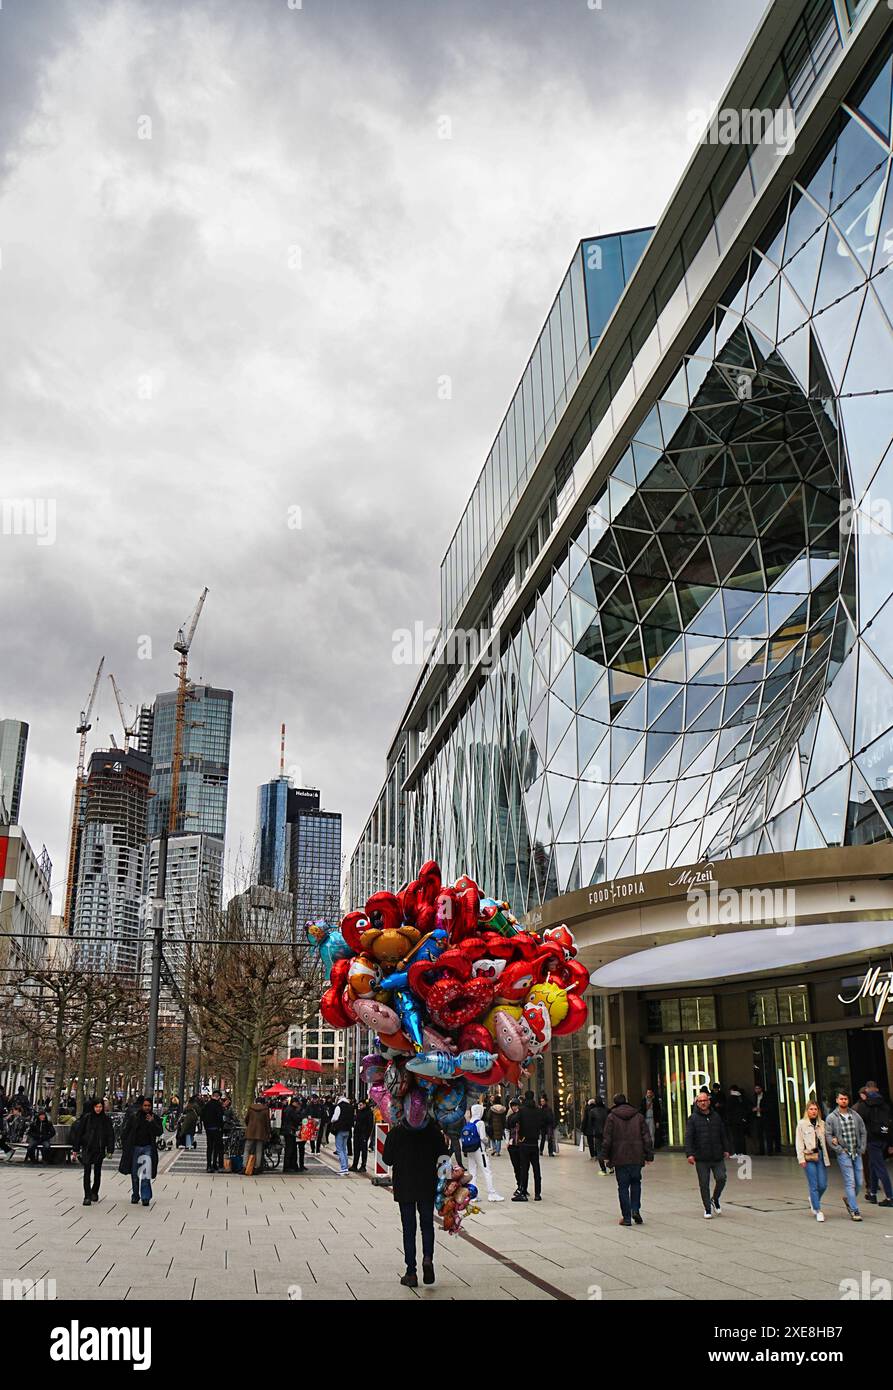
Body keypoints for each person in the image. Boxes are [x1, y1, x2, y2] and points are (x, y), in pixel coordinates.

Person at [382, 1115, 449, 1287]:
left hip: (405, 1185)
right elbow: (444, 1159)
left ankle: (411, 1272)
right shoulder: (433, 1131)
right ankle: (427, 1258)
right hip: (426, 1184)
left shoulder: (397, 1132)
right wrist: (446, 1186)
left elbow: (387, 1159)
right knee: (427, 1224)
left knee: (408, 1227)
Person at [602, 1093, 653, 1226]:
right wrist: (649, 1155)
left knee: (623, 1187)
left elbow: (607, 1139)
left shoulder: (612, 1117)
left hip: (619, 1157)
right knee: (636, 1183)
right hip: (636, 1156)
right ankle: (635, 1209)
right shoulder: (639, 1116)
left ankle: (626, 1217)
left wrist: (605, 1156)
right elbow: (646, 1138)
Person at [685, 1089, 731, 1219]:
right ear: (697, 1103)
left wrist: (726, 1149)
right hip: (701, 1157)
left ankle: (715, 1198)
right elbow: (689, 1137)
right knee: (704, 1184)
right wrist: (690, 1154)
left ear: (709, 1101)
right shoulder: (693, 1119)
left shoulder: (716, 1117)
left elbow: (723, 1134)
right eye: (700, 1101)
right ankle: (707, 1208)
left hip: (717, 1155)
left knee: (721, 1178)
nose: (703, 1103)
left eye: (705, 1100)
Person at [826, 1090, 867, 1221]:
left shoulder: (855, 1115)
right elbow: (828, 1135)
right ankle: (855, 1211)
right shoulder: (832, 1117)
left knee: (859, 1181)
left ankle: (849, 1199)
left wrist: (862, 1148)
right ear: (837, 1100)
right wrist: (838, 1149)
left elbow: (863, 1131)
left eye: (846, 1099)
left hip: (857, 1152)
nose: (844, 1101)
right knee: (850, 1182)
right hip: (844, 1153)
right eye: (841, 1099)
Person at [855, 1081, 893, 1207]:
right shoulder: (885, 1105)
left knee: (880, 1167)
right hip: (883, 1138)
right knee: (873, 1165)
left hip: (871, 1139)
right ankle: (872, 1193)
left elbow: (860, 1124)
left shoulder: (864, 1106)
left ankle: (890, 1196)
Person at [119, 1096, 162, 1206]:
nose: (147, 1108)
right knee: (134, 1173)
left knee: (145, 1173)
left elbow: (159, 1132)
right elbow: (126, 1131)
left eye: (149, 1106)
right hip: (135, 1147)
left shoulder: (154, 1118)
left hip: (148, 1147)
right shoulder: (135, 1117)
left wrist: (152, 1122)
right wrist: (124, 1144)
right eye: (145, 1105)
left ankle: (145, 1196)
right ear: (141, 1106)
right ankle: (135, 1194)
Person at [71, 1097, 115, 1205]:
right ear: (93, 1107)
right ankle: (87, 1195)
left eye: (100, 1107)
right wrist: (76, 1149)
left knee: (97, 1172)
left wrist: (110, 1149)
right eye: (96, 1107)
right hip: (87, 1148)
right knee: (87, 1171)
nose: (98, 1109)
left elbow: (110, 1135)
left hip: (99, 1149)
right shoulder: (87, 1118)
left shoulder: (106, 1120)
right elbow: (79, 1133)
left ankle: (94, 1191)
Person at [795, 1098, 831, 1222]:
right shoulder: (802, 1124)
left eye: (815, 1109)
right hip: (809, 1155)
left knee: (823, 1184)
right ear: (807, 1110)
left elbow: (827, 1139)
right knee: (813, 1184)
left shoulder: (822, 1123)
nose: (813, 1111)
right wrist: (801, 1159)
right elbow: (799, 1142)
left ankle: (813, 1199)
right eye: (811, 1109)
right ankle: (817, 1209)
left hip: (821, 1155)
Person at [461, 1104, 503, 1201]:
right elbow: (483, 1138)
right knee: (487, 1171)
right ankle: (491, 1193)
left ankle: (472, 1195)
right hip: (480, 1150)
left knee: (472, 1172)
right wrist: (487, 1142)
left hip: (470, 1150)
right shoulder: (480, 1123)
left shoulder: (469, 1122)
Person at [511, 1092, 546, 1202]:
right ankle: (537, 1194)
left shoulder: (522, 1111)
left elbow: (512, 1121)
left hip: (524, 1142)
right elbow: (544, 1123)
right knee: (536, 1169)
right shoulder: (538, 1111)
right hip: (534, 1143)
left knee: (524, 1169)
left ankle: (523, 1192)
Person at [243, 1098, 272, 1176]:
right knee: (259, 1150)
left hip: (250, 1131)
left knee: (247, 1149)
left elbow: (246, 1119)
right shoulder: (265, 1109)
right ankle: (257, 1167)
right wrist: (268, 1132)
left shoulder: (251, 1108)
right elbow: (267, 1122)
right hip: (260, 1132)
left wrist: (249, 1125)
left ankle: (245, 1166)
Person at [582, 1097, 611, 1172]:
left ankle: (603, 1169)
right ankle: (611, 1167)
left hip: (598, 1133)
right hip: (608, 1133)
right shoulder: (607, 1110)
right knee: (609, 1150)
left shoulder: (592, 1111)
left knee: (599, 1151)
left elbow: (590, 1124)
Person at [329, 1094, 354, 1176]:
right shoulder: (350, 1107)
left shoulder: (339, 1107)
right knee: (344, 1149)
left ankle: (343, 1168)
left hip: (340, 1129)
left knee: (340, 1149)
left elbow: (335, 1118)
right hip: (347, 1130)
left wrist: (332, 1121)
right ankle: (346, 1167)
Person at [202, 1090, 225, 1172]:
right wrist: (221, 1127)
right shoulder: (218, 1105)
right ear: (218, 1097)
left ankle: (209, 1165)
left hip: (209, 1129)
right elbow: (220, 1118)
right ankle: (218, 1165)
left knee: (209, 1147)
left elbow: (202, 1116)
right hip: (217, 1129)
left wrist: (206, 1126)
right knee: (219, 1147)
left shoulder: (207, 1105)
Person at [281, 1095, 304, 1173]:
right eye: (297, 1103)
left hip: (288, 1131)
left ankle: (291, 1165)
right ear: (294, 1103)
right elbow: (296, 1119)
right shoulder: (291, 1110)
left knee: (291, 1149)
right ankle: (288, 1166)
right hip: (290, 1131)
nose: (298, 1105)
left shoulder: (288, 1109)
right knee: (290, 1149)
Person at [505, 1098, 522, 1193]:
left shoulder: (523, 1116)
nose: (514, 1107)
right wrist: (507, 1142)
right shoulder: (510, 1117)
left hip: (521, 1144)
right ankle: (519, 1184)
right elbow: (507, 1130)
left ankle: (522, 1186)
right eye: (513, 1106)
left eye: (516, 1105)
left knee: (522, 1166)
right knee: (516, 1166)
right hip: (512, 1144)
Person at [351, 1099, 374, 1172]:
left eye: (360, 1105)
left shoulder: (369, 1113)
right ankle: (354, 1165)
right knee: (356, 1149)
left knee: (364, 1150)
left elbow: (370, 1125)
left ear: (364, 1105)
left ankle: (363, 1166)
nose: (359, 1106)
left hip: (364, 1134)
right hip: (357, 1133)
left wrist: (367, 1135)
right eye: (359, 1105)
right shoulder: (359, 1112)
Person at [724, 1085, 748, 1155]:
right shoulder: (741, 1097)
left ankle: (737, 1152)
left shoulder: (730, 1098)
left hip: (734, 1121)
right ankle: (743, 1152)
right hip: (741, 1120)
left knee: (735, 1137)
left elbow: (728, 1110)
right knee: (741, 1137)